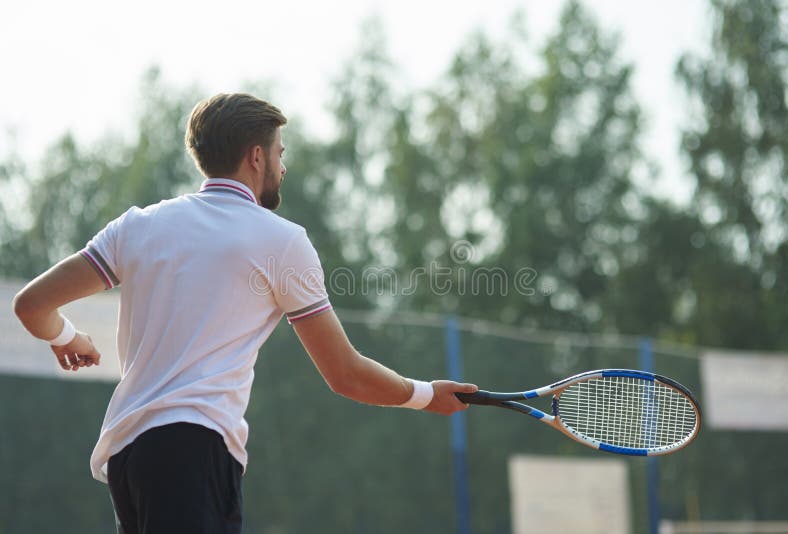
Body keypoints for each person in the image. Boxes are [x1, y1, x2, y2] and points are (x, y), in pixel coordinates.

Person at [12, 93, 478, 534]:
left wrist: (67, 338)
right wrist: (425, 395)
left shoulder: (136, 226)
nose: (283, 166)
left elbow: (31, 305)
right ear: (256, 157)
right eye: (279, 153)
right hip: (193, 450)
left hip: (127, 460)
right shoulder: (282, 241)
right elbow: (345, 373)